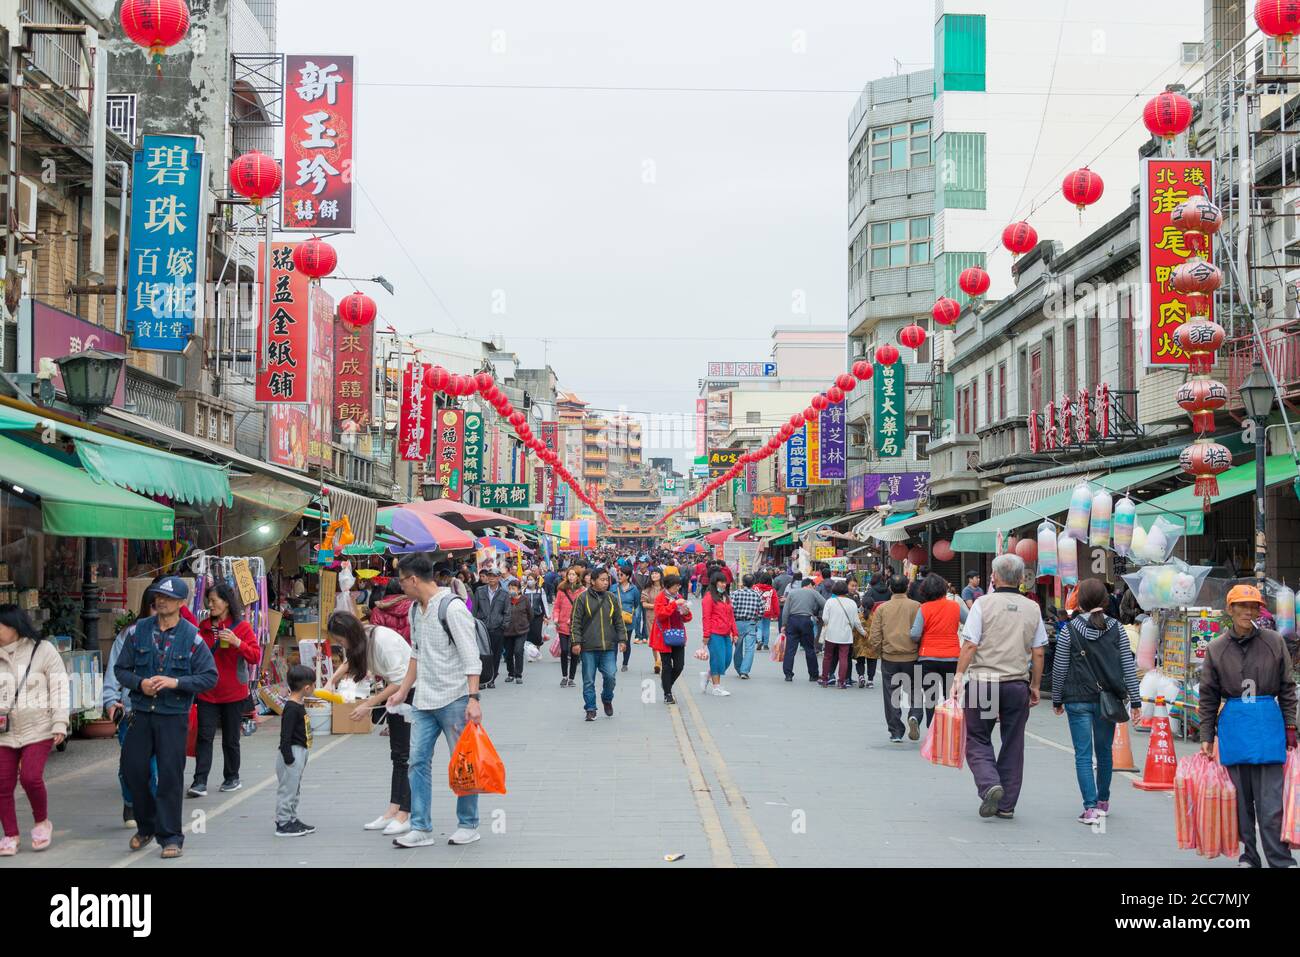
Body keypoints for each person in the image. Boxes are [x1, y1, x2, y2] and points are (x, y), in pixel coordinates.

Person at [114, 577, 218, 859]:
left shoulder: (193, 637)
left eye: (169, 598)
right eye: (159, 596)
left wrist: (176, 682)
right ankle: (146, 826)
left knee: (171, 776)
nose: (161, 601)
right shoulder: (138, 632)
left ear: (182, 603)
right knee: (133, 769)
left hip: (173, 716)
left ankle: (171, 836)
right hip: (141, 713)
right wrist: (139, 683)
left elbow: (210, 677)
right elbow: (120, 669)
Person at [1197, 584, 1298, 868]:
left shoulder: (1274, 641)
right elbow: (1208, 695)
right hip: (1234, 729)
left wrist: (1290, 726)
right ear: (1230, 610)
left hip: (1268, 727)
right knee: (1240, 803)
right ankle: (1249, 856)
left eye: (1253, 606)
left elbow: (1288, 688)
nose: (1248, 611)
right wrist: (1207, 735)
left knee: (1271, 805)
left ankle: (1280, 859)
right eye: (1242, 606)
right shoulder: (1217, 649)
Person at [388, 556, 484, 849]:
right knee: (417, 761)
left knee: (462, 764)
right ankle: (420, 827)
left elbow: (471, 656)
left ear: (413, 580)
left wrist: (473, 698)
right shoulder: (416, 611)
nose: (400, 587)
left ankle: (468, 824)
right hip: (424, 700)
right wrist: (404, 690)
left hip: (455, 699)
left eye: (401, 581)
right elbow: (416, 653)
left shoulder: (452, 608)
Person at [952, 554, 1048, 820]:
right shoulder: (1033, 608)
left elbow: (970, 644)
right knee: (1013, 743)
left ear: (993, 577)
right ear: (1020, 579)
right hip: (1017, 684)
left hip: (984, 682)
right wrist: (1036, 685)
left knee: (978, 738)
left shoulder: (982, 604)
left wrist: (959, 676)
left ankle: (989, 783)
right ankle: (1007, 805)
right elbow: (1038, 651)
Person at [1050, 579, 1142, 826]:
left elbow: (1059, 668)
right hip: (1108, 700)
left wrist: (1057, 697)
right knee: (1104, 753)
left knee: (1082, 755)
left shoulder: (1069, 630)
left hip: (1077, 699)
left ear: (1079, 602)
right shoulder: (1117, 628)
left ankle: (1089, 808)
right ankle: (1103, 802)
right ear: (1104, 601)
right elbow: (1128, 667)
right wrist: (1136, 701)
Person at [324, 610, 413, 835]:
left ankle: (407, 813)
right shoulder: (362, 638)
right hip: (397, 693)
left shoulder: (383, 641)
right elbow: (350, 661)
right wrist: (330, 682)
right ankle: (393, 810)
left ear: (348, 634)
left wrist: (368, 704)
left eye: (340, 640)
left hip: (412, 692)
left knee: (406, 755)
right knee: (397, 754)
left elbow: (401, 680)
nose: (340, 644)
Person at [0, 606, 68, 856]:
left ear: (13, 626)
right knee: (2, 784)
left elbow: (60, 688)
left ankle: (42, 823)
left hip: (38, 727)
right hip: (4, 732)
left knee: (30, 777)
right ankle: (10, 834)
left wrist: (60, 722)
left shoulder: (43, 650)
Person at [189, 581, 260, 798]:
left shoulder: (242, 627)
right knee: (204, 736)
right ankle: (199, 781)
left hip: (233, 692)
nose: (210, 605)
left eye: (213, 601)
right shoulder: (203, 627)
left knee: (231, 738)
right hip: (207, 691)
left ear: (227, 603)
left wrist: (238, 642)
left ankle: (232, 777)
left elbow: (255, 656)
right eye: (208, 601)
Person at [868, 575, 922, 742]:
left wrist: (877, 650)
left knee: (892, 693)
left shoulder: (882, 609)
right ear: (907, 588)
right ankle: (914, 715)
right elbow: (922, 631)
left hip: (889, 656)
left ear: (890, 588)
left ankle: (896, 731)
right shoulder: (917, 606)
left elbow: (875, 635)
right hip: (912, 656)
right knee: (915, 690)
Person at [909, 573, 968, 727]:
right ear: (943, 589)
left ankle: (932, 729)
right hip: (952, 657)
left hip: (927, 657)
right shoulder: (955, 606)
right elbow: (969, 622)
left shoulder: (924, 608)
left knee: (931, 697)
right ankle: (949, 728)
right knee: (950, 695)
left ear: (925, 591)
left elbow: (914, 634)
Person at [569, 568, 628, 721]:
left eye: (607, 580)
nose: (605, 582)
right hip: (588, 647)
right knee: (589, 680)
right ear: (592, 581)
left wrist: (622, 639)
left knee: (610, 676)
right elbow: (575, 622)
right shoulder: (582, 599)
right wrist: (576, 642)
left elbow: (618, 621)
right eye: (602, 579)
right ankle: (590, 708)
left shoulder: (612, 598)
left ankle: (607, 698)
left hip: (608, 646)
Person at [275, 665, 316, 837]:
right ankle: (283, 823)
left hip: (299, 751)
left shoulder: (298, 704)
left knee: (295, 788)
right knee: (288, 789)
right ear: (307, 688)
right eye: (314, 685)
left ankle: (292, 818)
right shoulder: (291, 708)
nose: (315, 688)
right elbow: (285, 735)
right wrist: (289, 758)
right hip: (292, 752)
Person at [819, 580, 866, 689]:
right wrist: (863, 632)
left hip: (831, 633)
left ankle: (825, 679)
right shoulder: (852, 603)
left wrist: (831, 623)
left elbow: (825, 618)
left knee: (828, 657)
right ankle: (842, 681)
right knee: (844, 657)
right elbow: (856, 621)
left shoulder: (830, 602)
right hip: (846, 634)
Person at [653, 574, 691, 704]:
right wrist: (674, 604)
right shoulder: (660, 597)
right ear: (668, 587)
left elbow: (687, 618)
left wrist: (686, 612)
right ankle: (667, 693)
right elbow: (660, 614)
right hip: (665, 636)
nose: (677, 589)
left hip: (678, 635)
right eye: (675, 587)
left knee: (679, 666)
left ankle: (666, 684)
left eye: (678, 586)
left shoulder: (679, 597)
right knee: (667, 666)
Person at [700, 572, 738, 697]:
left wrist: (735, 632)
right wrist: (706, 635)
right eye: (721, 582)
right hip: (714, 633)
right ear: (714, 583)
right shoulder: (709, 597)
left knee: (726, 660)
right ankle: (716, 687)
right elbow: (706, 617)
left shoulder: (726, 597)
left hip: (726, 633)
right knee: (718, 659)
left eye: (724, 582)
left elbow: (731, 616)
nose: (723, 584)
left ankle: (708, 674)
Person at [780, 578, 826, 682]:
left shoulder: (792, 593)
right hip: (806, 620)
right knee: (809, 648)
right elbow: (825, 604)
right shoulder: (813, 592)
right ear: (810, 585)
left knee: (790, 649)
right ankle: (813, 674)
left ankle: (788, 674)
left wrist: (784, 624)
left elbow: (786, 610)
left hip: (792, 620)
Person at [472, 567, 510, 689]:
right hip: (482, 628)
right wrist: (474, 624)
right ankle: (482, 679)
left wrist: (503, 626)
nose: (491, 578)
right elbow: (474, 609)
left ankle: (492, 678)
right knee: (481, 654)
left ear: (499, 578)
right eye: (489, 576)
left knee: (495, 654)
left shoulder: (504, 593)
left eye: (494, 576)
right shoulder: (480, 590)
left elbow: (507, 612)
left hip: (497, 629)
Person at [553, 567, 585, 688]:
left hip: (576, 626)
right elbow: (556, 607)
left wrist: (572, 619)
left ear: (578, 576)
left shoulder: (582, 591)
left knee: (574, 652)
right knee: (564, 650)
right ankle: (564, 676)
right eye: (569, 574)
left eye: (573, 574)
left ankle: (571, 678)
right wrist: (556, 618)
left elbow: (582, 610)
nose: (571, 576)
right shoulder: (562, 590)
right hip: (562, 626)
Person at [729, 575, 765, 680]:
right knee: (749, 649)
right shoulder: (757, 594)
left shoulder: (735, 594)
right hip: (751, 623)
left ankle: (739, 669)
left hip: (737, 623)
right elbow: (762, 611)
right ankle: (745, 671)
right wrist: (756, 619)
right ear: (753, 583)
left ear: (743, 582)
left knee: (738, 648)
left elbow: (731, 609)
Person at [501, 578, 532, 684]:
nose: (511, 590)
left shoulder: (525, 599)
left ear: (519, 590)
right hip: (507, 631)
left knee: (518, 651)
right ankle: (511, 673)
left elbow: (530, 614)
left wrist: (525, 623)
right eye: (509, 588)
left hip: (521, 631)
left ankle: (518, 674)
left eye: (513, 588)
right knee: (508, 654)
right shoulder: (506, 600)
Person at [614, 566, 641, 673]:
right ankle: (612, 662)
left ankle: (625, 663)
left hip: (628, 620)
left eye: (621, 574)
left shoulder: (634, 589)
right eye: (618, 574)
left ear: (628, 576)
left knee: (626, 641)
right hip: (614, 620)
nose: (619, 576)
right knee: (614, 642)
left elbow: (636, 603)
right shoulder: (613, 588)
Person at [640, 568, 665, 674]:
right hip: (651, 617)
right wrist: (656, 606)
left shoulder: (666, 589)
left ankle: (661, 661)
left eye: (656, 573)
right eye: (652, 573)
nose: (654, 575)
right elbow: (644, 604)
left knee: (664, 640)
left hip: (664, 617)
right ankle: (657, 661)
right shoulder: (647, 589)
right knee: (654, 640)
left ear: (660, 575)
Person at [852, 596, 878, 688]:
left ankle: (861, 676)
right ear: (873, 606)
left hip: (860, 643)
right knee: (872, 662)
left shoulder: (858, 616)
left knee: (860, 661)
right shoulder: (876, 617)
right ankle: (870, 680)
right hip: (872, 644)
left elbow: (854, 630)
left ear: (862, 605)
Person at [523, 573, 550, 651]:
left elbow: (544, 603)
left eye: (531, 579)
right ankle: (530, 651)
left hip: (538, 615)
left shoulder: (540, 590)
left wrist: (547, 615)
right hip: (527, 616)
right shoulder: (524, 591)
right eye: (528, 580)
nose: (529, 581)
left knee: (537, 634)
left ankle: (537, 647)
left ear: (535, 581)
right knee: (528, 633)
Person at [754, 572, 779, 651]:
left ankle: (759, 641)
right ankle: (765, 644)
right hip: (767, 611)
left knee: (759, 627)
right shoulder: (772, 590)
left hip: (757, 610)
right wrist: (776, 613)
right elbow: (775, 602)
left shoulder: (755, 588)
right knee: (766, 627)